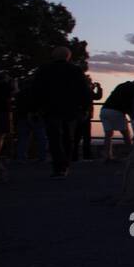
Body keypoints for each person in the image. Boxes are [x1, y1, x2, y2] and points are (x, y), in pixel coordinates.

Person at [30, 46, 93, 179]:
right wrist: (85, 108)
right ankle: (65, 165)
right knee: (68, 138)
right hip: (71, 110)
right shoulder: (75, 70)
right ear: (68, 57)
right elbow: (84, 90)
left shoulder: (44, 70)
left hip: (50, 109)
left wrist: (35, 108)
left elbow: (35, 90)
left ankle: (58, 167)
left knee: (54, 138)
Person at [99, 79, 134, 161]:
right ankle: (131, 154)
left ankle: (107, 155)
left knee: (108, 135)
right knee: (126, 133)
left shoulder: (121, 85)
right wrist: (133, 117)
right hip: (116, 111)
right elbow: (131, 105)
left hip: (104, 110)